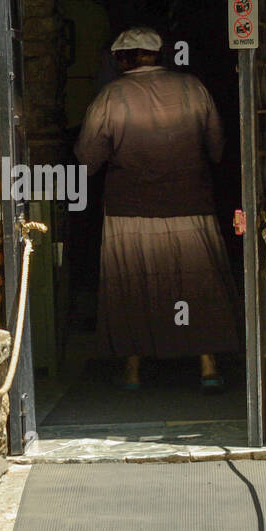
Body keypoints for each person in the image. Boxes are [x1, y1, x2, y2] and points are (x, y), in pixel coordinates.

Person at [74, 27, 240, 390]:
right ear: (159, 54)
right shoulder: (193, 87)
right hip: (191, 204)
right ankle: (207, 365)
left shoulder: (111, 96)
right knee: (198, 285)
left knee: (132, 287)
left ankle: (132, 371)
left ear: (121, 58)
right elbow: (217, 147)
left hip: (129, 209)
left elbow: (87, 159)